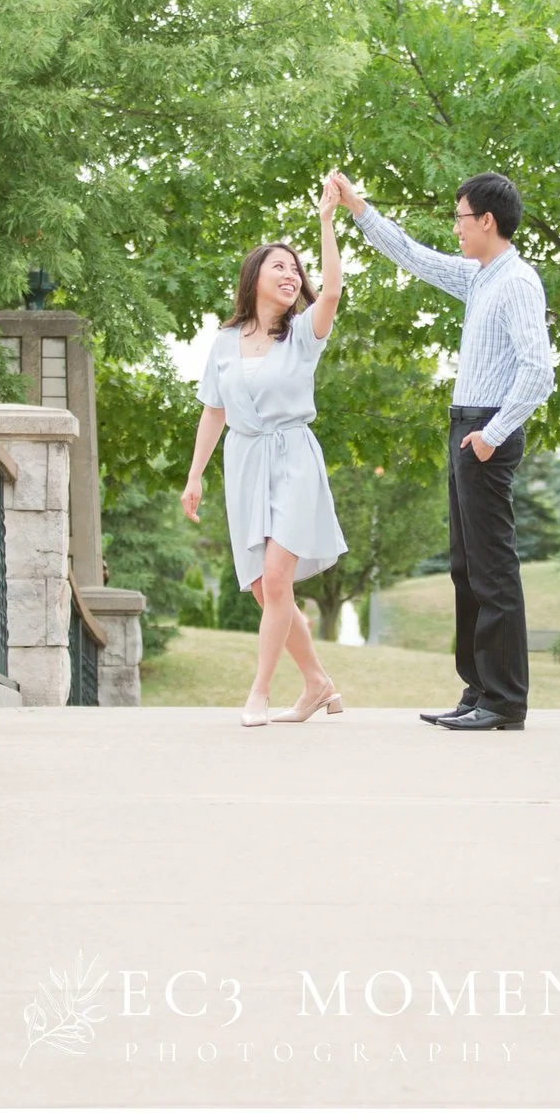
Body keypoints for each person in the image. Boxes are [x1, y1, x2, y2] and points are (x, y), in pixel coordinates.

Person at [328, 169, 552, 733]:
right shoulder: (481, 278)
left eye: (459, 217)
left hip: (485, 432)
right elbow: (413, 256)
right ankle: (478, 690)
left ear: (486, 221)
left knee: (492, 569)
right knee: (465, 568)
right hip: (465, 429)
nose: (454, 229)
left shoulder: (517, 282)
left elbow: (538, 371)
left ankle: (505, 703)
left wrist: (491, 436)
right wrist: (358, 207)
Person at [181, 177, 352, 726]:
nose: (291, 275)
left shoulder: (303, 334)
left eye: (295, 269)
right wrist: (194, 476)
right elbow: (214, 411)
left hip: (295, 458)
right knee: (262, 587)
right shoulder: (225, 344)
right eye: (279, 266)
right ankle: (318, 683)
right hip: (245, 463)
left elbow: (330, 291)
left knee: (277, 579)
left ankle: (259, 691)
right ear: (254, 276)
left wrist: (327, 219)